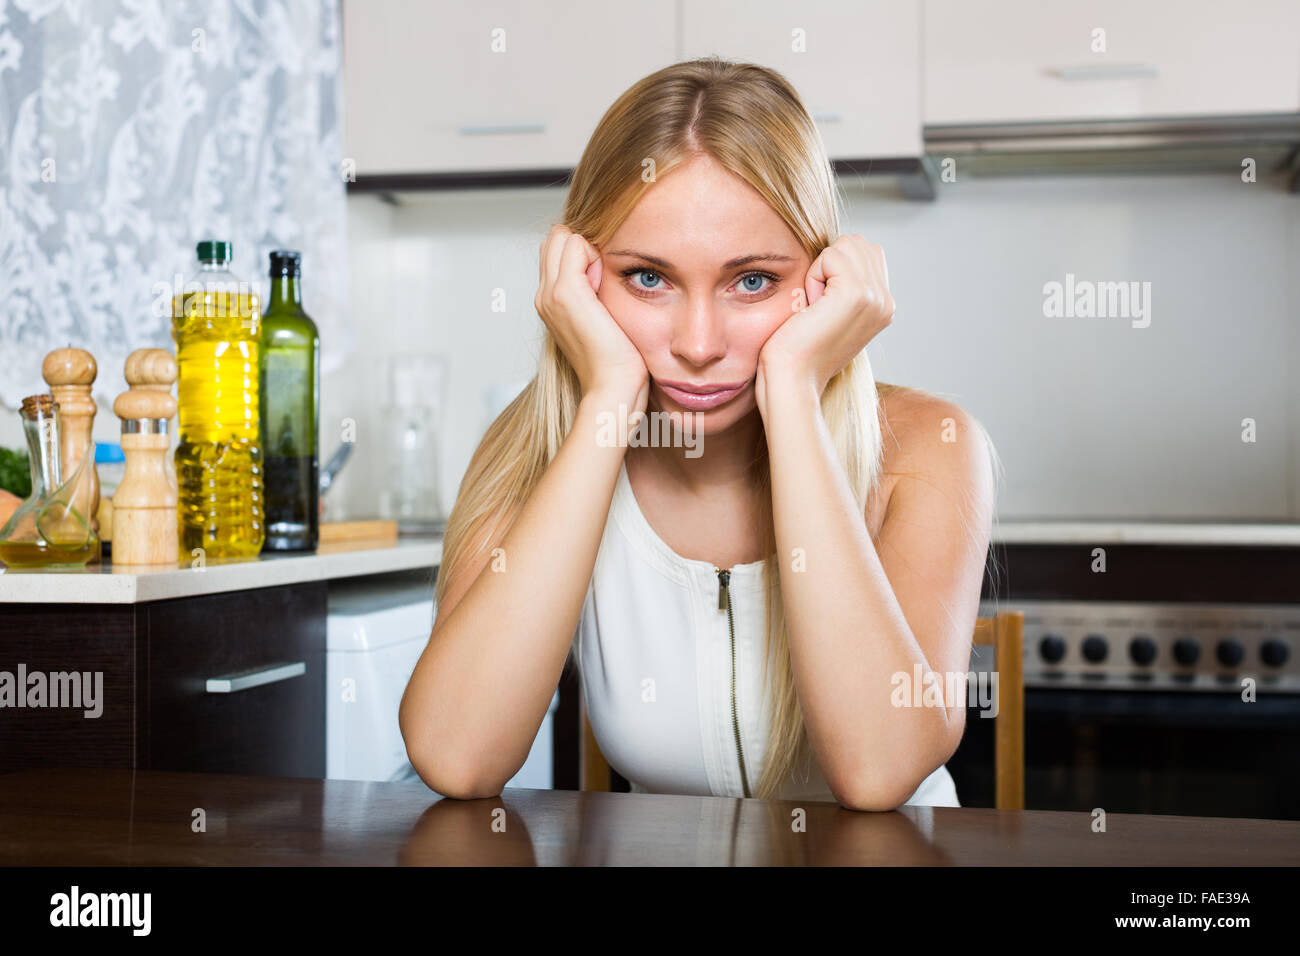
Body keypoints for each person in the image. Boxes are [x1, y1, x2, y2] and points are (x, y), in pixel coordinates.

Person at [399, 57, 1000, 810]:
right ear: (580, 279)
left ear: (821, 283)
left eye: (752, 281)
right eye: (648, 277)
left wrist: (794, 395)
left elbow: (877, 772)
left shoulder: (932, 449)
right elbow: (457, 758)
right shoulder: (538, 446)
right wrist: (608, 400)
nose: (698, 341)